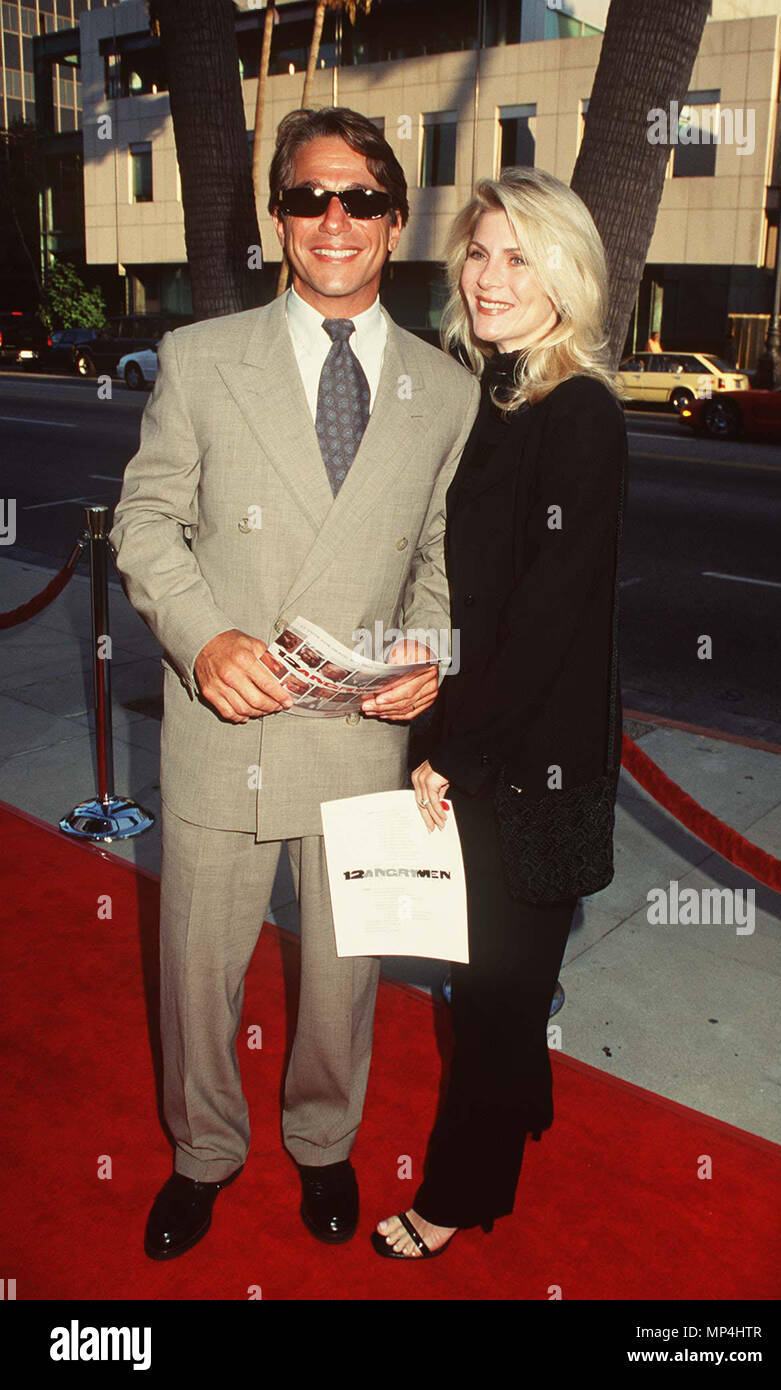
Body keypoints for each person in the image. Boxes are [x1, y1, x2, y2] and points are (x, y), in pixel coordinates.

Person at [109, 106, 479, 1260]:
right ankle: (202, 1151)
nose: (335, 220)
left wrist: (428, 652)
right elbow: (146, 519)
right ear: (277, 217)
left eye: (361, 199)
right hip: (226, 720)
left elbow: (435, 560)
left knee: (342, 975)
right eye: (310, 197)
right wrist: (204, 637)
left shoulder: (444, 390)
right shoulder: (200, 358)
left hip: (357, 733)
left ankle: (323, 1142)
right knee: (195, 970)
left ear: (393, 220)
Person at [373, 167, 628, 1259]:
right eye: (477, 251)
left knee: (489, 992)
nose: (488, 275)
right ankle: (520, 1100)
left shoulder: (576, 412)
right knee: (488, 977)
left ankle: (454, 1195)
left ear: (566, 275)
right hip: (473, 738)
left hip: (532, 765)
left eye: (518, 256)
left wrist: (452, 754)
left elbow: (545, 616)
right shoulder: (477, 394)